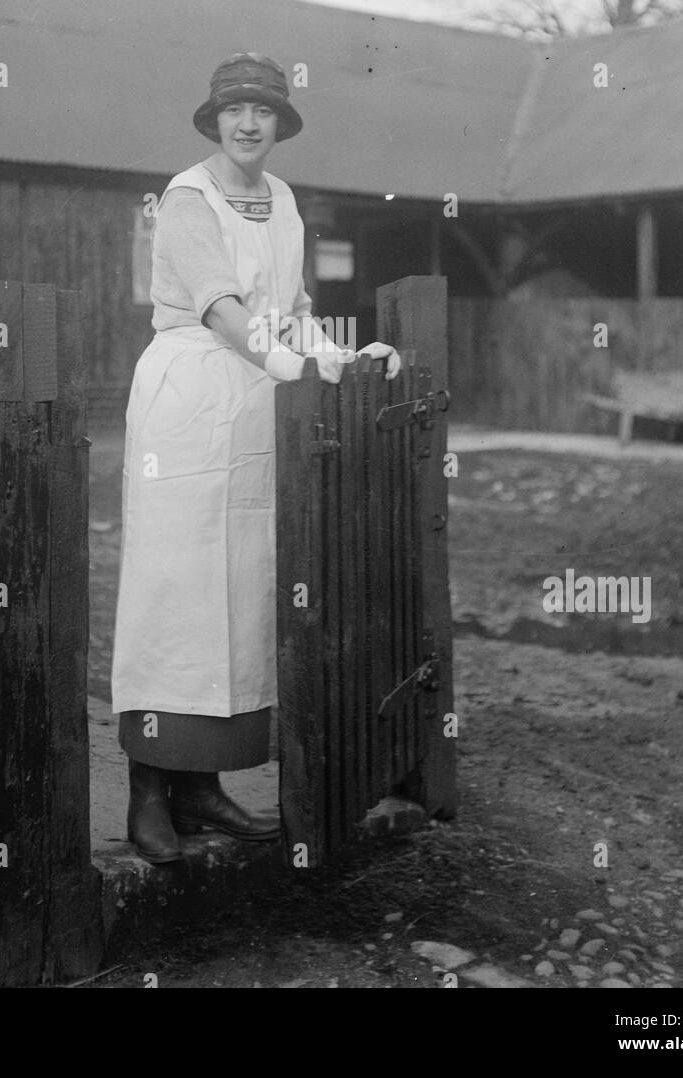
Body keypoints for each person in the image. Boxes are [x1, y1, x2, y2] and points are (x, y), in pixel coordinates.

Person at [111, 52, 399, 864]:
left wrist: (337, 356)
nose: (248, 123)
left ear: (279, 125)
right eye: (235, 109)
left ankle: (203, 789)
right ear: (214, 120)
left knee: (240, 594)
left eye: (263, 112)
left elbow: (293, 308)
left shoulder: (282, 200)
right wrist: (281, 363)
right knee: (177, 591)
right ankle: (147, 794)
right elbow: (221, 306)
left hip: (253, 410)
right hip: (191, 398)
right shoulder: (186, 197)